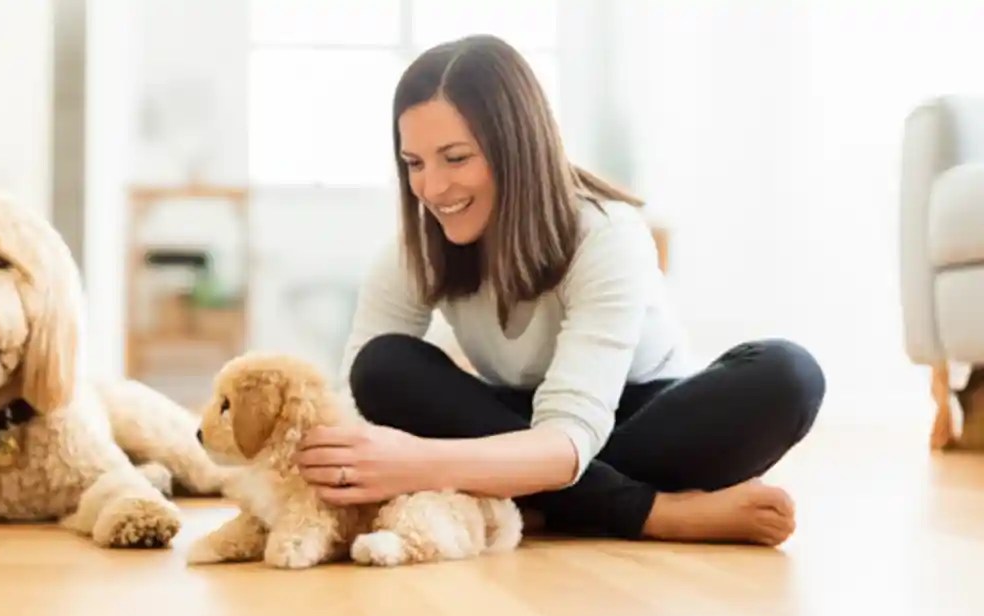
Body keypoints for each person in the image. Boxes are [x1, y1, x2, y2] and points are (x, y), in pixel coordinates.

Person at [290, 34, 825, 547]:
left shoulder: (606, 233)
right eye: (414, 164)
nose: (432, 187)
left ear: (516, 148)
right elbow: (358, 403)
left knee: (787, 376)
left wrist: (417, 464)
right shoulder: (416, 248)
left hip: (631, 413)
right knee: (381, 368)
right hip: (518, 424)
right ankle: (655, 511)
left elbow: (568, 439)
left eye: (456, 158)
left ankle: (538, 501)